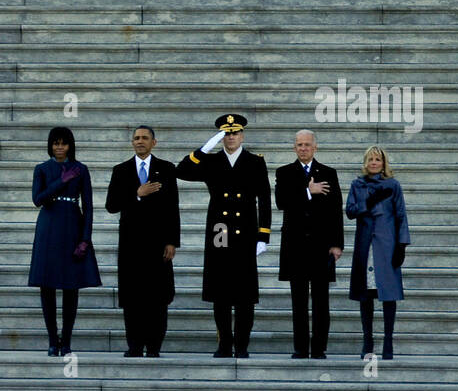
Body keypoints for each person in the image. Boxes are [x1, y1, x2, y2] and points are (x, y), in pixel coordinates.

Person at [176, 114, 271, 358]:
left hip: (246, 232)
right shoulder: (211, 161)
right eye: (226, 134)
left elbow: (265, 199)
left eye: (235, 133)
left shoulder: (255, 161)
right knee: (221, 292)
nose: (231, 138)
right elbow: (182, 170)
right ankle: (224, 343)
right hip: (220, 232)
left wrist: (263, 235)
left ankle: (241, 345)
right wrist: (204, 148)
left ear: (242, 135)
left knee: (245, 294)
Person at [105, 125, 179, 357]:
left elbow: (172, 208)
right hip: (131, 245)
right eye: (136, 138)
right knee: (133, 297)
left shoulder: (166, 169)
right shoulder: (121, 170)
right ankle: (135, 345)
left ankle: (154, 346)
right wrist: (137, 193)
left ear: (153, 142)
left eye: (145, 138)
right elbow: (111, 205)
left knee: (157, 297)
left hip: (158, 245)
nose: (140, 141)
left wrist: (172, 242)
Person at [29, 126, 102, 356]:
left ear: (70, 145)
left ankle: (67, 340)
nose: (59, 147)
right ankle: (52, 340)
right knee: (47, 286)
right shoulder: (42, 169)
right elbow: (37, 199)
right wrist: (60, 182)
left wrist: (85, 239)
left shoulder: (81, 169)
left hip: (72, 225)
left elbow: (88, 206)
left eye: (64, 143)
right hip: (49, 227)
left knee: (71, 287)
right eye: (55, 143)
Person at [275, 130, 343, 360]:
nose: (303, 148)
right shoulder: (284, 172)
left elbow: (335, 210)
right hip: (295, 246)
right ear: (294, 148)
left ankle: (319, 348)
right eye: (299, 144)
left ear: (315, 147)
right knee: (299, 301)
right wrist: (307, 191)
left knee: (321, 300)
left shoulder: (328, 173)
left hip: (321, 245)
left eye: (307, 144)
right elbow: (281, 201)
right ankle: (301, 347)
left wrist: (336, 244)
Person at [347, 146, 410, 360]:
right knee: (366, 295)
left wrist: (402, 245)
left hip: (387, 245)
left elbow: (401, 215)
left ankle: (388, 341)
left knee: (388, 295)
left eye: (378, 159)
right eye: (370, 159)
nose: (374, 163)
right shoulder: (357, 184)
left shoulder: (393, 185)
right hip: (365, 246)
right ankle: (368, 341)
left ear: (384, 163)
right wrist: (368, 202)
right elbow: (350, 211)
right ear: (365, 162)